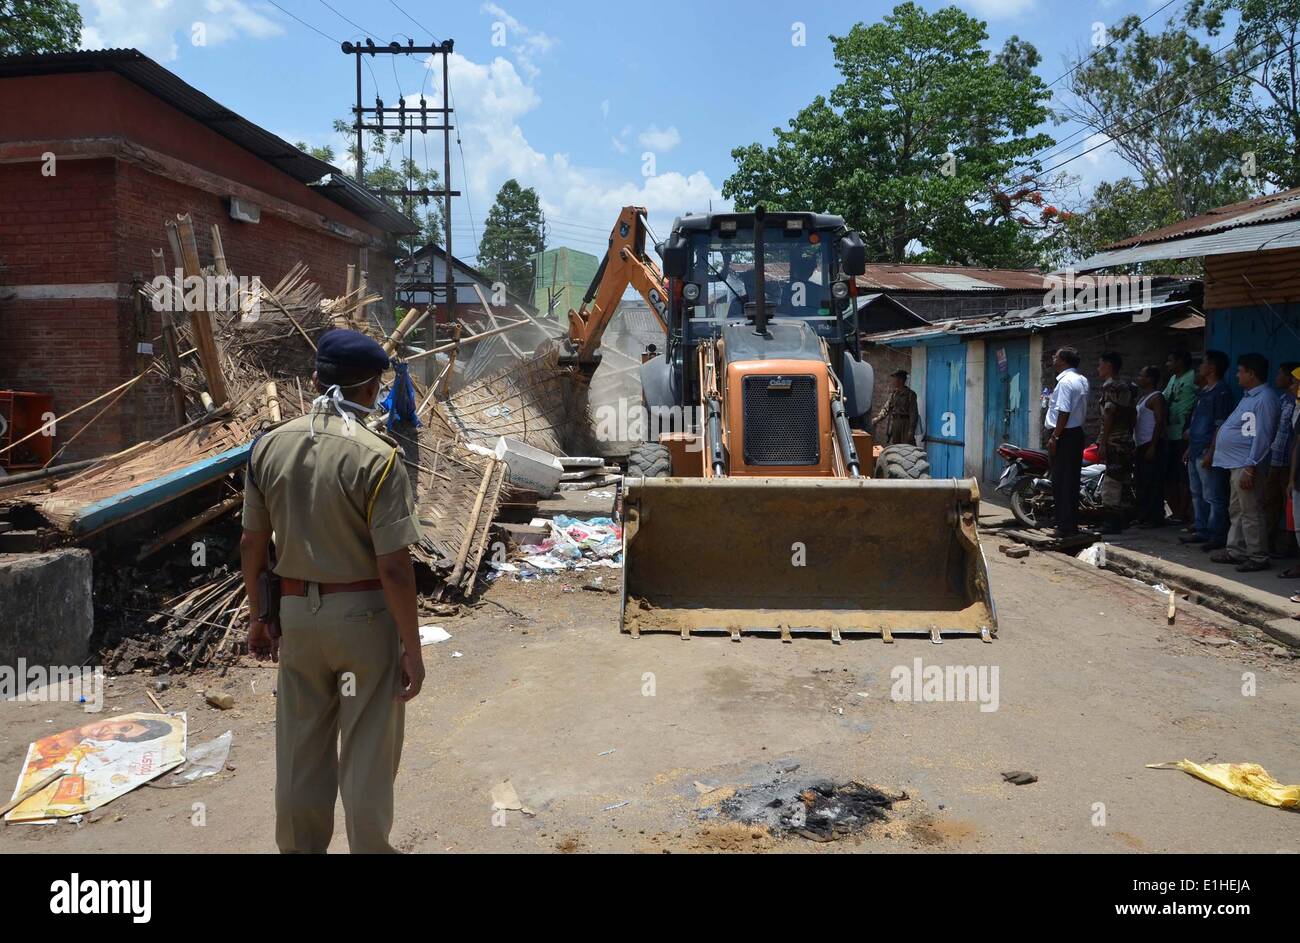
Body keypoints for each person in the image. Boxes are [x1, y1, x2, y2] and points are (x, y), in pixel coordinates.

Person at [240, 328, 425, 854]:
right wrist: (412, 649)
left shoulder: (268, 447)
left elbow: (253, 543)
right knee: (368, 747)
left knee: (301, 749)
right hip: (364, 618)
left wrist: (259, 616)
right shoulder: (379, 456)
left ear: (317, 379)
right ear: (370, 390)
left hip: (297, 615)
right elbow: (394, 567)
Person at [1209, 353, 1280, 572]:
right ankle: (1236, 550)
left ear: (1251, 373)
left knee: (1251, 511)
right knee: (1237, 509)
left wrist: (1251, 466)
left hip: (1248, 464)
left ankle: (1258, 556)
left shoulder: (1265, 398)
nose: (1237, 375)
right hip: (1236, 463)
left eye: (1240, 371)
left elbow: (1264, 436)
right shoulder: (1249, 397)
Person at [1181, 351, 1233, 549]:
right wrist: (1189, 447)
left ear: (1212, 367)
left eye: (1203, 363)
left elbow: (1220, 426)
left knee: (1213, 495)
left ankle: (1216, 534)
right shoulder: (1204, 392)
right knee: (1197, 493)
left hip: (1206, 450)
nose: (1200, 367)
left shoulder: (1222, 392)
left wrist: (1212, 451)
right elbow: (1196, 422)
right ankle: (1202, 529)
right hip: (1196, 449)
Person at [1044, 346, 1090, 538]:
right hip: (1075, 433)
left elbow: (1064, 411)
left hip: (1065, 435)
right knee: (1071, 481)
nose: (1053, 360)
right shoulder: (1082, 379)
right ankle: (1070, 523)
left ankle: (1064, 526)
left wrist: (1055, 436)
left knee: (1061, 482)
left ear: (1063, 361)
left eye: (1055, 357)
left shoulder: (1065, 382)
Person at [1095, 351, 1136, 533]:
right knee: (1124, 481)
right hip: (1126, 440)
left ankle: (1111, 523)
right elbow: (1133, 415)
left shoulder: (1111, 387)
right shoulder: (1126, 387)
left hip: (1114, 441)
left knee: (1111, 483)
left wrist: (1103, 442)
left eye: (1100, 364)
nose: (1098, 368)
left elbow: (1109, 414)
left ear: (1109, 365)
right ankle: (1124, 520)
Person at [1263, 362, 1299, 557]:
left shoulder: (1296, 403)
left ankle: (1288, 547)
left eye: (1282, 375)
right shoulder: (1284, 399)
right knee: (1271, 502)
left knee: (1291, 507)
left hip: (1289, 463)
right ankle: (1269, 544)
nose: (1277, 378)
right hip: (1276, 459)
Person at [1162, 349, 1197, 523]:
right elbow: (1164, 398)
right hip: (1171, 433)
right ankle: (1175, 512)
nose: (1167, 364)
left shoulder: (1193, 377)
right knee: (1172, 476)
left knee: (1184, 477)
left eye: (1170, 360)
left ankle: (1183, 512)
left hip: (1185, 435)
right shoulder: (1173, 379)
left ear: (1180, 361)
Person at [1133, 365, 1168, 527]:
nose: (1139, 378)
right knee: (1142, 483)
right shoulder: (1143, 398)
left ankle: (1154, 518)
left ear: (1150, 379)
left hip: (1151, 444)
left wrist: (1153, 446)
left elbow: (1159, 422)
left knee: (1152, 483)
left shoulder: (1156, 397)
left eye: (1142, 375)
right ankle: (1143, 516)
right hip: (1141, 445)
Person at [873, 369, 919, 446]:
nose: (893, 381)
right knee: (895, 447)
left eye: (895, 378)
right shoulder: (894, 395)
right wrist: (877, 419)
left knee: (907, 447)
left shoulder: (910, 395)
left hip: (906, 424)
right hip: (896, 423)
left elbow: (913, 413)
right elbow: (886, 409)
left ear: (900, 380)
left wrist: (911, 429)